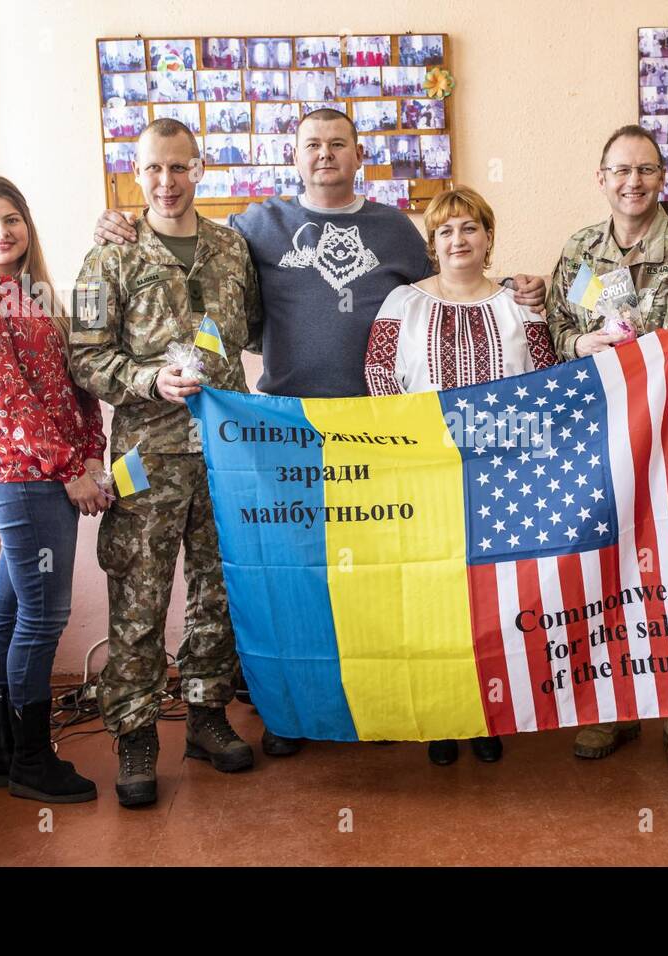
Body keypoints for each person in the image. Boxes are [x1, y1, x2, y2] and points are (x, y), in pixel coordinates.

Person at [90, 109, 547, 758]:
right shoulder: (252, 229)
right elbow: (184, 246)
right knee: (295, 577)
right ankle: (291, 711)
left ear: (359, 154)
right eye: (313, 145)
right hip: (286, 433)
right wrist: (117, 223)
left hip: (384, 432)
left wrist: (520, 286)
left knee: (385, 574)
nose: (326, 154)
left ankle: (388, 702)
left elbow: (452, 281)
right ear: (293, 156)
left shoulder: (395, 227)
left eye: (338, 144)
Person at [71, 119, 263, 807]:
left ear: (200, 167)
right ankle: (135, 733)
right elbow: (85, 358)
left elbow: (251, 337)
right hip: (146, 460)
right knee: (140, 598)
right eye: (153, 169)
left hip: (225, 453)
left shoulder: (232, 249)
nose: (167, 182)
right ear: (135, 172)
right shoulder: (109, 257)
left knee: (218, 588)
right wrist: (149, 379)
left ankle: (208, 717)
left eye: (179, 168)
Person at [544, 123, 668, 768]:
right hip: (596, 434)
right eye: (621, 170)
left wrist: (626, 346)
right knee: (602, 566)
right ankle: (611, 708)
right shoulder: (579, 248)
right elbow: (559, 326)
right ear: (601, 178)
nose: (633, 182)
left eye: (645, 170)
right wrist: (577, 344)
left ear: (662, 178)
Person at [364, 186, 556, 765]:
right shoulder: (402, 303)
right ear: (432, 244)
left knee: (493, 599)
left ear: (489, 238)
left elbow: (546, 379)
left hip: (502, 475)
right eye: (445, 231)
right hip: (427, 476)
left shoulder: (519, 305)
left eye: (469, 228)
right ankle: (441, 717)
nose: (458, 240)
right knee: (433, 597)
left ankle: (486, 715)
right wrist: (423, 449)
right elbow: (379, 382)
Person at [0, 176, 105, 804]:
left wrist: (92, 453)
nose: (1, 232)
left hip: (52, 472)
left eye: (11, 219)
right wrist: (69, 468)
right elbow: (7, 398)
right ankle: (33, 763)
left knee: (12, 613)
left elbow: (76, 386)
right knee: (44, 619)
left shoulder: (35, 293)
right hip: (22, 478)